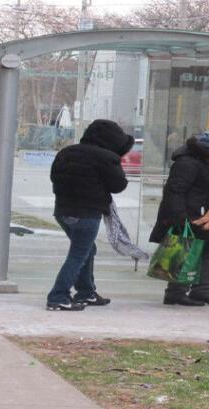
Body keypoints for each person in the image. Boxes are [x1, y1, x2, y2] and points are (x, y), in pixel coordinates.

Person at [47, 119, 133, 311]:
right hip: (87, 213)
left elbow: (54, 177)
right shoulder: (106, 157)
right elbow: (118, 185)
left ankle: (86, 292)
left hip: (62, 211)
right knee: (78, 254)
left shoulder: (66, 153)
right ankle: (58, 296)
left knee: (87, 249)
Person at [151, 127, 209, 307]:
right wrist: (180, 217)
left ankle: (202, 290)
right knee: (186, 253)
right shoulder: (188, 164)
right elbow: (175, 191)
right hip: (192, 216)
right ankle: (175, 293)